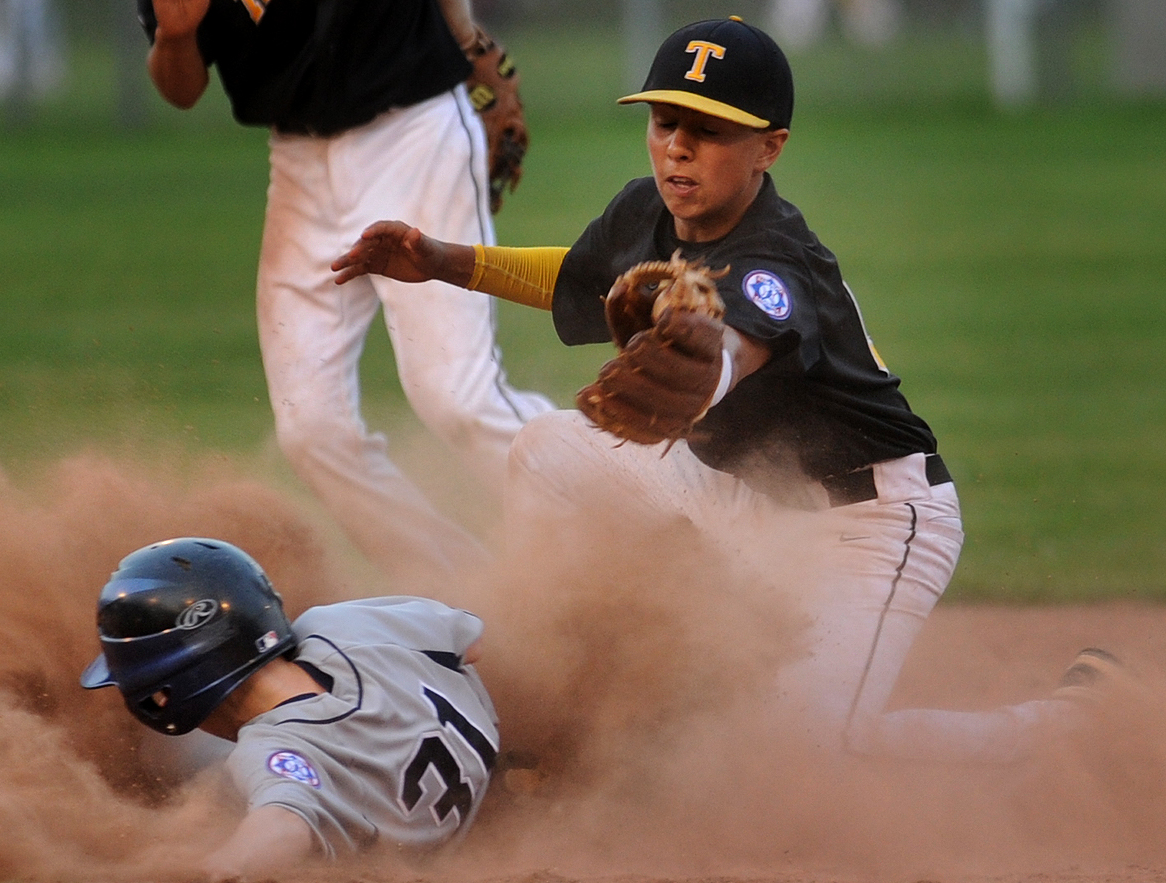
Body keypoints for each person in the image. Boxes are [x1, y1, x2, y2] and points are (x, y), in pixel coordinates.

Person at [331, 17, 1129, 764]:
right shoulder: (647, 210)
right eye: (664, 122)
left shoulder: (778, 261)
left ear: (769, 148)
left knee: (799, 759)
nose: (677, 147)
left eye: (708, 131)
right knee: (547, 450)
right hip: (734, 493)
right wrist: (444, 260)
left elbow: (738, 342)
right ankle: (567, 674)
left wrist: (698, 366)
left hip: (868, 521)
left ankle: (1065, 730)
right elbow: (576, 275)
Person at [136, 0, 553, 594]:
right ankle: (471, 594)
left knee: (456, 396)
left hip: (413, 130)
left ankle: (621, 515)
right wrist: (175, 39)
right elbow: (181, 88)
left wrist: (468, 42)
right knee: (313, 431)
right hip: (298, 163)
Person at [80, 537, 499, 880]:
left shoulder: (270, 749)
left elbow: (284, 825)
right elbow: (472, 644)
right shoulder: (342, 626)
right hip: (485, 772)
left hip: (426, 855)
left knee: (180, 762)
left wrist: (218, 868)